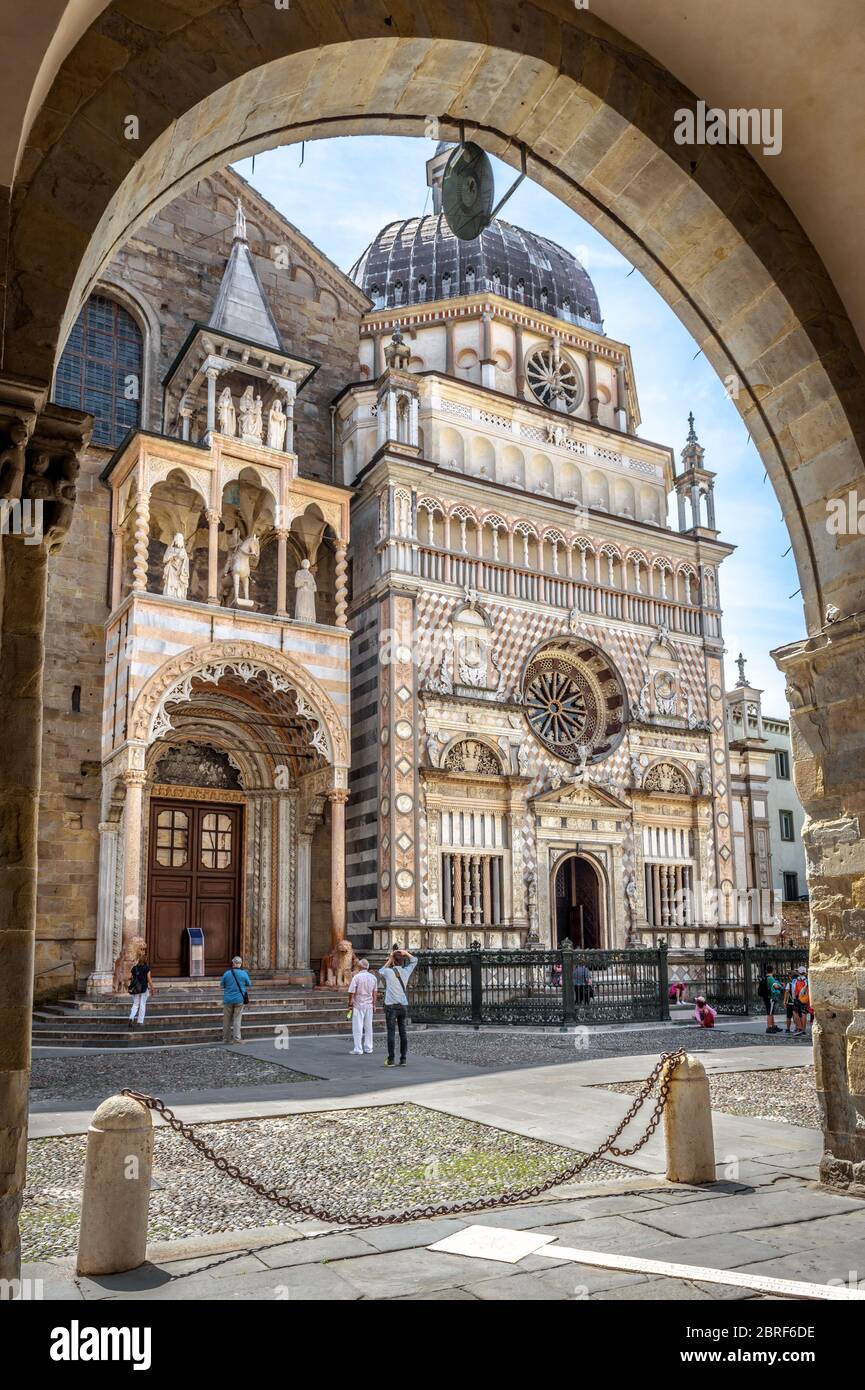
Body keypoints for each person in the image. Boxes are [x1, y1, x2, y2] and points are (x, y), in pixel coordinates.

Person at [378, 945, 418, 1067]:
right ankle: (403, 1059)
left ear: (393, 961)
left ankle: (391, 1060)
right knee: (403, 1032)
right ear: (402, 961)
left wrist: (390, 959)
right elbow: (415, 960)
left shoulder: (389, 972)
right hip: (403, 1005)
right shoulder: (406, 971)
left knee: (391, 1032)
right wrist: (406, 953)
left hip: (391, 1006)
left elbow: (380, 971)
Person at [348, 957, 377, 1055]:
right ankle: (368, 1047)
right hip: (369, 1004)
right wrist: (374, 1004)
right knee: (369, 1027)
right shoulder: (373, 978)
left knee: (357, 1026)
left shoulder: (356, 977)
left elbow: (351, 992)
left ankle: (358, 1049)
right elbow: (374, 993)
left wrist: (350, 1003)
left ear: (359, 967)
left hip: (358, 1004)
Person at [221, 954, 251, 1044]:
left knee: (226, 1020)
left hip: (228, 1000)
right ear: (240, 964)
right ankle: (237, 1039)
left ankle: (226, 1039)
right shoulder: (243, 973)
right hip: (239, 999)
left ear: (233, 964)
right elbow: (249, 984)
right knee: (237, 1020)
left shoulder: (226, 974)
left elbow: (222, 985)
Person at [128, 946, 154, 1027]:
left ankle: (131, 1017)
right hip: (143, 988)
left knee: (135, 1004)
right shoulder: (147, 968)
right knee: (142, 1004)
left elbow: (130, 978)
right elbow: (149, 979)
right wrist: (153, 988)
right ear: (145, 960)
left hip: (136, 988)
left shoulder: (134, 968)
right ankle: (140, 1021)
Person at [791, 967, 811, 1037]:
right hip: (804, 999)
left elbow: (793, 990)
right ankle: (804, 1030)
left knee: (795, 1012)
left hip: (797, 998)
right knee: (804, 1013)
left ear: (798, 972)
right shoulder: (807, 981)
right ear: (805, 972)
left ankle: (799, 1027)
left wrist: (794, 998)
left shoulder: (795, 981)